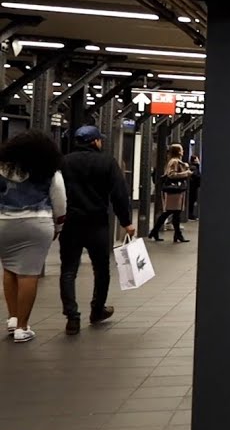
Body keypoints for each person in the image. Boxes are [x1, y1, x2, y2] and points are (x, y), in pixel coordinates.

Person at [59, 125, 135, 335]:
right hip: (97, 223)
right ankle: (97, 310)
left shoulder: (64, 162)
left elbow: (55, 191)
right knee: (101, 269)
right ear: (94, 141)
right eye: (99, 139)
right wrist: (126, 221)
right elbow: (119, 193)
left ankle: (72, 317)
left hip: (71, 223)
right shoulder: (107, 162)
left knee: (68, 270)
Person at [0, 131, 66, 343]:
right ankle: (22, 327)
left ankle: (12, 318)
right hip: (37, 223)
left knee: (9, 269)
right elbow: (60, 200)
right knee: (29, 273)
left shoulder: (2, 168)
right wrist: (58, 226)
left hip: (3, 222)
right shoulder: (49, 171)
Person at [149, 144, 192, 243]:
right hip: (174, 192)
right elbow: (171, 175)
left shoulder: (175, 161)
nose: (183, 151)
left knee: (173, 212)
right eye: (181, 149)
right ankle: (173, 234)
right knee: (171, 212)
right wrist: (186, 173)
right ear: (178, 151)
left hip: (175, 192)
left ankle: (173, 234)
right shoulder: (174, 161)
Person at [187, 155, 201, 220]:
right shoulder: (194, 167)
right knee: (192, 201)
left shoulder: (192, 167)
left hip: (192, 187)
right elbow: (196, 176)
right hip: (193, 187)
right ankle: (190, 215)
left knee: (191, 201)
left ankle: (190, 214)